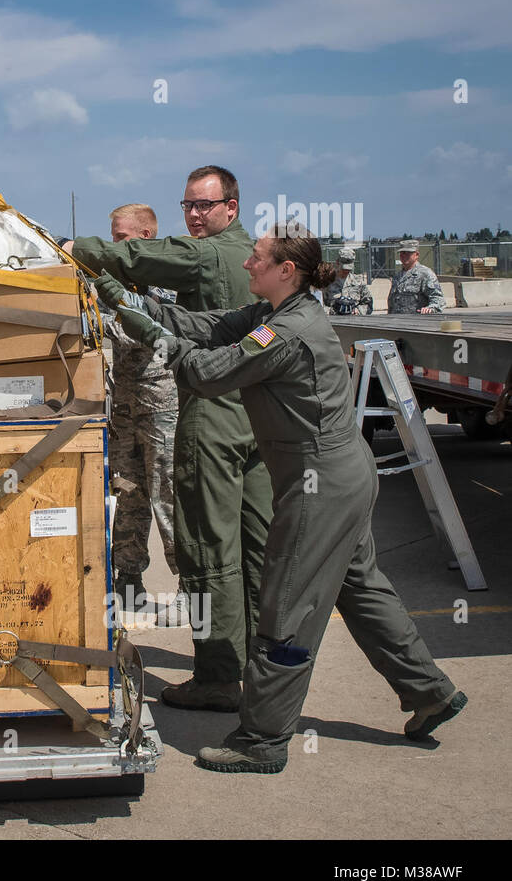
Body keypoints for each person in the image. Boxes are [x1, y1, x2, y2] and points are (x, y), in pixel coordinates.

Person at [98, 223, 467, 773]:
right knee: (358, 586)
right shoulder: (274, 314)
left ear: (285, 270)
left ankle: (263, 740)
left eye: (257, 258)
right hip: (341, 476)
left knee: (285, 604)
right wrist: (138, 302)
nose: (247, 264)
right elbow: (210, 327)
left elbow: (203, 371)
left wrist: (148, 333)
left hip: (320, 483)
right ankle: (429, 691)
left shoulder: (285, 332)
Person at [67, 166, 272, 712]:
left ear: (231, 205)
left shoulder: (198, 259)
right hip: (200, 409)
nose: (195, 215)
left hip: (190, 407)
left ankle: (217, 668)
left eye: (204, 206)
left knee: (198, 534)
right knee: (143, 496)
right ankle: (253, 664)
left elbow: (163, 326)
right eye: (189, 206)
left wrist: (77, 251)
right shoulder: (244, 266)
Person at [98, 204, 180, 617]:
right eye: (112, 239)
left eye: (123, 239)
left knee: (167, 493)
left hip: (161, 406)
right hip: (127, 404)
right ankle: (128, 580)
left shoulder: (165, 280)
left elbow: (145, 331)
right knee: (128, 493)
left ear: (147, 236)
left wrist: (104, 317)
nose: (116, 247)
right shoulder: (117, 278)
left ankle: (190, 582)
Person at [387, 239, 444, 314]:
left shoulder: (425, 274)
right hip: (396, 321)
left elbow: (437, 298)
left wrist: (431, 308)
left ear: (416, 255)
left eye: (408, 253)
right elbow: (392, 302)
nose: (404, 256)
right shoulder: (397, 277)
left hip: (416, 321)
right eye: (402, 253)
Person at [325, 247, 373, 315]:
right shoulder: (327, 282)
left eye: (349, 269)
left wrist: (358, 311)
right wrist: (331, 311)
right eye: (344, 269)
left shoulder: (358, 283)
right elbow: (318, 306)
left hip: (355, 322)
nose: (346, 271)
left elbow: (368, 304)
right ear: (337, 263)